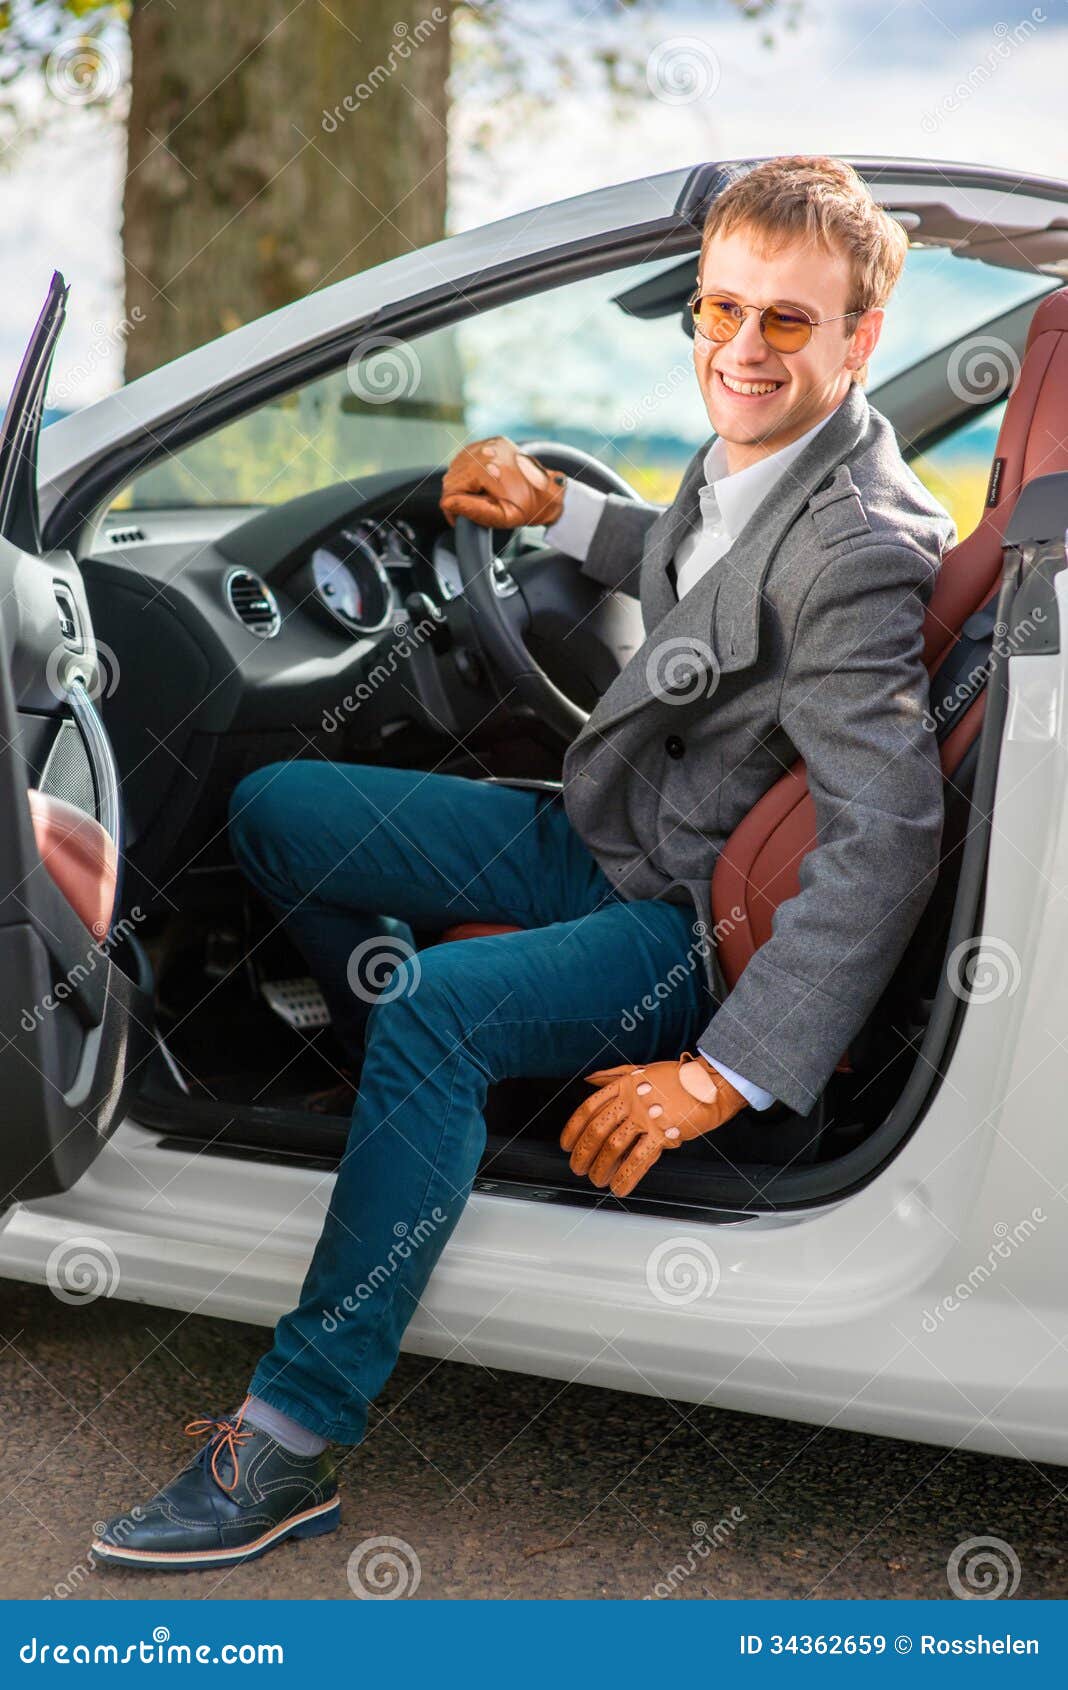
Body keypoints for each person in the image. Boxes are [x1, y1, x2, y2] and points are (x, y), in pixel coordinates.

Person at [92, 155, 955, 1570]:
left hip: (688, 926)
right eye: (719, 310)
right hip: (612, 837)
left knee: (436, 1009)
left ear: (861, 337)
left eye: (788, 324)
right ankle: (421, 1111)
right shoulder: (770, 455)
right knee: (281, 805)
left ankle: (290, 1438)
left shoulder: (860, 544)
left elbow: (886, 837)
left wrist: (714, 1073)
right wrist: (554, 510)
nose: (741, 349)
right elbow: (693, 561)